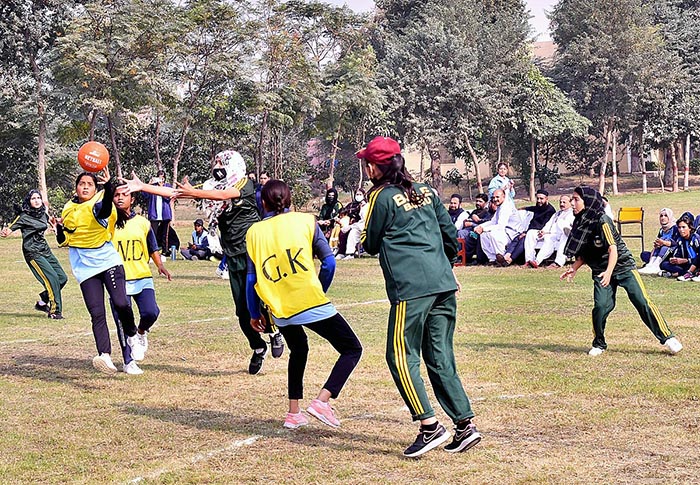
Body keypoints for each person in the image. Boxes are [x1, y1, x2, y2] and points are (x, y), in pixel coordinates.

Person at [359, 136, 481, 458]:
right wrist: (445, 266)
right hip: (443, 283)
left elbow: (369, 243)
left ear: (375, 167)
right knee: (439, 355)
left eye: (367, 163)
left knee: (400, 355)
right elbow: (450, 236)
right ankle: (464, 425)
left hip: (411, 288)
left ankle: (430, 427)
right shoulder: (426, 190)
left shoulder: (381, 197)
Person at [122, 150, 285, 373]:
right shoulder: (213, 186)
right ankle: (258, 348)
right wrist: (143, 187)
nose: (217, 171)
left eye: (222, 166)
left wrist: (196, 191)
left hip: (254, 252)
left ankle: (276, 333)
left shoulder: (244, 184)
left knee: (263, 299)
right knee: (241, 312)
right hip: (233, 255)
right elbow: (176, 192)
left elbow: (223, 196)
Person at [246, 180, 362, 429]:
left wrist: (254, 313)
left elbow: (251, 278)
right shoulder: (307, 221)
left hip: (280, 309)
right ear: (289, 200)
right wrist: (319, 291)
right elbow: (329, 263)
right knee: (352, 349)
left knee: (299, 349)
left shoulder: (253, 232)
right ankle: (323, 400)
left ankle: (293, 413)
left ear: (263, 203)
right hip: (309, 300)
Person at [560, 186, 682, 356]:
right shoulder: (580, 222)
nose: (572, 203)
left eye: (576, 199)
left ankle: (668, 337)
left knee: (641, 301)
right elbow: (584, 252)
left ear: (587, 202)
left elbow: (613, 249)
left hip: (623, 266)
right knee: (601, 307)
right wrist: (573, 268)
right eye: (572, 199)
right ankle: (599, 344)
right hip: (601, 270)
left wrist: (609, 272)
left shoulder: (602, 220)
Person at [56, 170, 145, 374]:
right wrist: (59, 229)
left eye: (90, 184)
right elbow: (64, 240)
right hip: (84, 266)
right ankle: (104, 355)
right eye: (82, 183)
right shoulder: (69, 208)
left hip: (107, 261)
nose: (85, 187)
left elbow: (104, 210)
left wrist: (108, 187)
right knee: (96, 313)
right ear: (76, 187)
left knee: (121, 303)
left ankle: (133, 336)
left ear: (95, 188)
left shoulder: (98, 202)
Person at [111, 182, 172, 374]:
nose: (120, 198)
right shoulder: (108, 223)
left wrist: (160, 265)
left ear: (132, 199)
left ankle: (141, 332)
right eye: (116, 195)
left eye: (124, 194)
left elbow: (153, 247)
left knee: (151, 312)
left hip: (142, 276)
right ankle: (128, 361)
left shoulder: (143, 223)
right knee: (122, 322)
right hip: (118, 280)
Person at [1, 189, 68, 319]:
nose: (37, 200)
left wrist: (56, 224)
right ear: (29, 201)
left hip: (45, 249)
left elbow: (51, 221)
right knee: (52, 278)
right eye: (33, 198)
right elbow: (9, 229)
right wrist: (5, 232)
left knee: (62, 278)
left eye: (38, 198)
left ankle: (43, 302)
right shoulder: (23, 217)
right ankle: (55, 312)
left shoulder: (43, 213)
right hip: (32, 252)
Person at [497, 189, 555, 266]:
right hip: (530, 231)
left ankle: (509, 260)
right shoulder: (539, 206)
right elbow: (532, 208)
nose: (539, 200)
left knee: (523, 240)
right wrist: (522, 208)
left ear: (547, 199)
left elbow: (544, 225)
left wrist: (527, 233)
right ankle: (506, 256)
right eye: (537, 198)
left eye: (541, 199)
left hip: (539, 233)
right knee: (517, 238)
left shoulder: (550, 210)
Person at [524, 195, 574, 268]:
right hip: (549, 233)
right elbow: (549, 224)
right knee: (531, 233)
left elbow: (567, 228)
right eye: (560, 202)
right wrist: (543, 231)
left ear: (570, 203)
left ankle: (539, 262)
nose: (562, 204)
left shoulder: (572, 213)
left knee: (551, 238)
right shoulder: (557, 213)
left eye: (564, 202)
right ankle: (529, 260)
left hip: (561, 235)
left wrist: (549, 233)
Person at [475, 189, 523, 264]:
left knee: (493, 234)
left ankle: (502, 257)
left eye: (497, 197)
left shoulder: (506, 207)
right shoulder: (500, 206)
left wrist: (483, 229)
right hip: (504, 231)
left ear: (503, 197)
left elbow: (500, 226)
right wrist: (480, 227)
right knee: (484, 235)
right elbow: (493, 222)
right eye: (493, 197)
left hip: (512, 233)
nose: (495, 199)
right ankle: (493, 259)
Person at [142, 169, 173, 256]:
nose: (161, 180)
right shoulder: (153, 187)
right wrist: (148, 185)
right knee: (153, 234)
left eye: (162, 178)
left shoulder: (168, 186)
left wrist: (161, 188)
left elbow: (168, 197)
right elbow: (145, 195)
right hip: (154, 214)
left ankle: (165, 251)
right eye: (159, 178)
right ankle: (152, 251)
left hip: (165, 214)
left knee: (165, 235)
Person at [659, 214, 700, 279]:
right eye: (679, 227)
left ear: (689, 228)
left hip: (695, 264)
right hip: (685, 264)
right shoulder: (680, 240)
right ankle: (681, 273)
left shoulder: (696, 239)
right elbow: (677, 254)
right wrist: (674, 260)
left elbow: (698, 257)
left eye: (683, 227)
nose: (681, 230)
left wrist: (686, 260)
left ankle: (687, 273)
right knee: (663, 264)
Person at [638, 208, 677, 275]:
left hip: (671, 253)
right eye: (661, 216)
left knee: (664, 247)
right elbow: (658, 243)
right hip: (659, 252)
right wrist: (655, 248)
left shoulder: (675, 228)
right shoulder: (661, 230)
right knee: (644, 254)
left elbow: (675, 244)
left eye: (665, 216)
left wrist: (663, 243)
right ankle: (650, 265)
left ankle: (656, 265)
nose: (663, 218)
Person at [336, 188, 368, 260]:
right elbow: (344, 212)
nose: (358, 196)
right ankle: (347, 253)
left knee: (350, 231)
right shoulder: (352, 205)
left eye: (360, 194)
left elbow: (364, 220)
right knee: (348, 232)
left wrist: (351, 226)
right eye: (357, 194)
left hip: (364, 226)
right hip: (356, 225)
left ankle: (347, 253)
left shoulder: (367, 206)